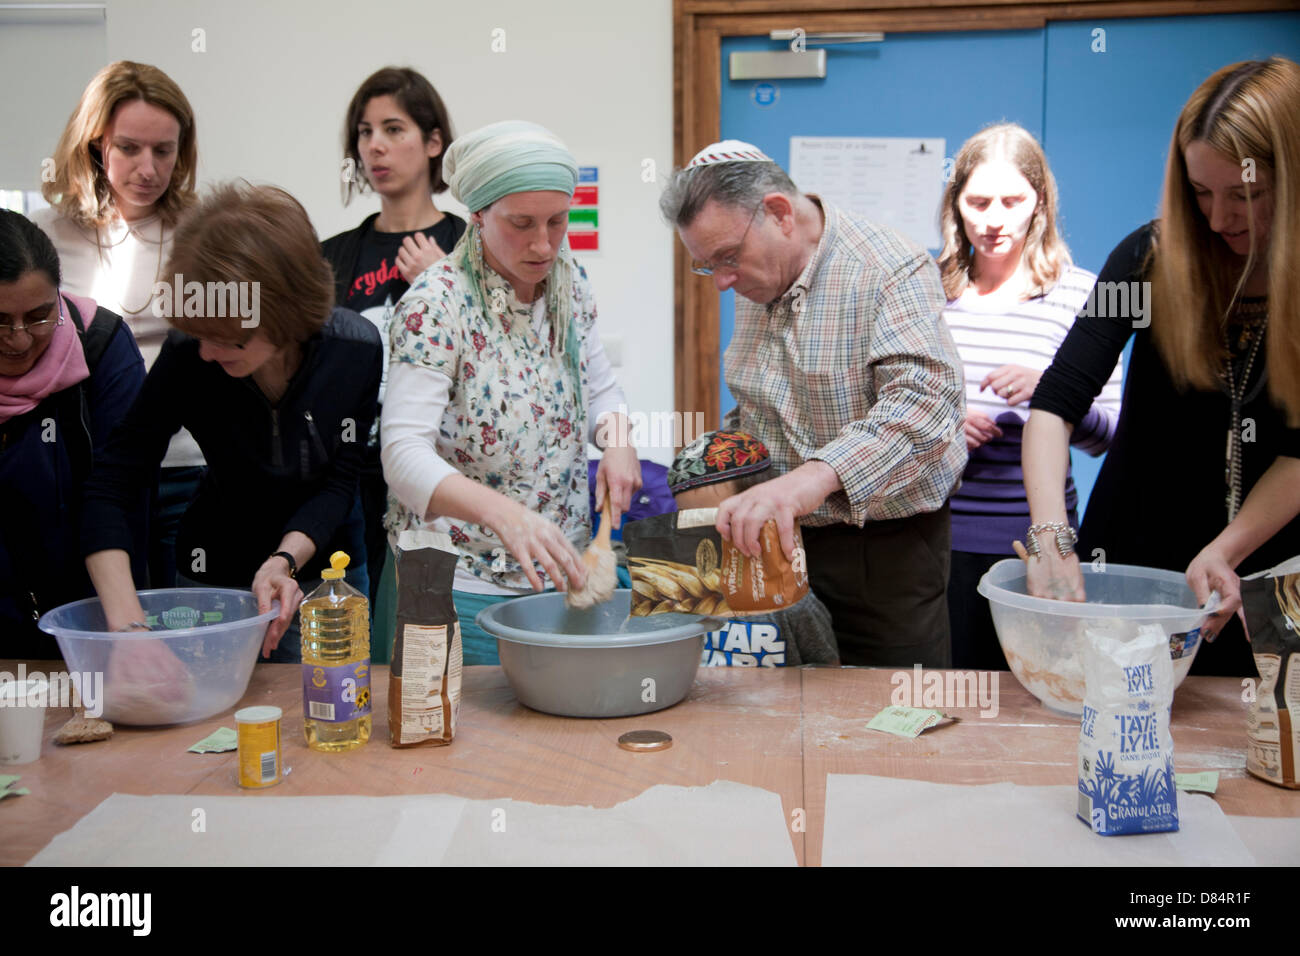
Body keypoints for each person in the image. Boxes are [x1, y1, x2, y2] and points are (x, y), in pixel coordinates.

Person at [1023, 57, 1300, 677]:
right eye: (1201, 193)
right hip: (1129, 563)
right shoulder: (1149, 261)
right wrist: (1050, 535)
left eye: (1246, 196)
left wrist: (1228, 549)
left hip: (1261, 573)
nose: (1219, 218)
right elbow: (1054, 405)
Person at [658, 141, 967, 668]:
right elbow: (764, 412)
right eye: (709, 267)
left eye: (728, 258)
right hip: (781, 543)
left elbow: (926, 404)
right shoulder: (761, 281)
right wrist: (712, 460)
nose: (723, 283)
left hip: (883, 551)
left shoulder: (887, 267)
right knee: (777, 714)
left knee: (889, 723)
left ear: (779, 213)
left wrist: (811, 479)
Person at [82, 182, 382, 661]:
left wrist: (283, 561)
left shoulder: (356, 350)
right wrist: (129, 628)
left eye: (229, 340)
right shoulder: (188, 355)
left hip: (329, 576)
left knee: (332, 714)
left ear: (289, 317)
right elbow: (115, 481)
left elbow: (339, 481)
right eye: (198, 332)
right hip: (214, 575)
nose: (207, 351)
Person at [382, 120, 641, 665]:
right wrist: (505, 514)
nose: (543, 243)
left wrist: (617, 441)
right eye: (520, 223)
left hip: (560, 571)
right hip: (461, 585)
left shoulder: (571, 283)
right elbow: (403, 456)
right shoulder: (437, 305)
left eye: (557, 220)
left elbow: (601, 391)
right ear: (477, 216)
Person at [937, 123, 1122, 670]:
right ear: (956, 204)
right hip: (935, 542)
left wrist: (1053, 393)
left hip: (1038, 546)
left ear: (1039, 202)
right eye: (978, 201)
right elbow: (881, 413)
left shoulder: (1082, 294)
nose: (993, 219)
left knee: (1039, 696)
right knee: (951, 702)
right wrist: (943, 427)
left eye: (1012, 200)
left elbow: (1108, 435)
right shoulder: (922, 289)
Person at [32, 61, 204, 591]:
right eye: (129, 148)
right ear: (93, 145)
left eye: (164, 150)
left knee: (184, 620)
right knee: (105, 618)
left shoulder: (203, 230)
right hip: (86, 462)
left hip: (186, 464)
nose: (148, 169)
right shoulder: (43, 236)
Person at [321, 68, 467, 608]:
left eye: (393, 129)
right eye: (364, 132)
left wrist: (443, 280)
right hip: (349, 471)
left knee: (427, 620)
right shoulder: (331, 256)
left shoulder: (468, 247)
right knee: (356, 615)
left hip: (442, 466)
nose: (375, 146)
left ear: (433, 143)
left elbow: (498, 357)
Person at [0, 211, 146, 659]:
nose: (20, 340)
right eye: (1, 321)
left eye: (40, 317)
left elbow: (117, 496)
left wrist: (127, 633)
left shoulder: (103, 346)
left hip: (95, 616)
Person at [667, 430, 838, 666]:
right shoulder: (677, 597)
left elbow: (828, 678)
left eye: (723, 522)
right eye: (690, 522)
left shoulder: (794, 605)